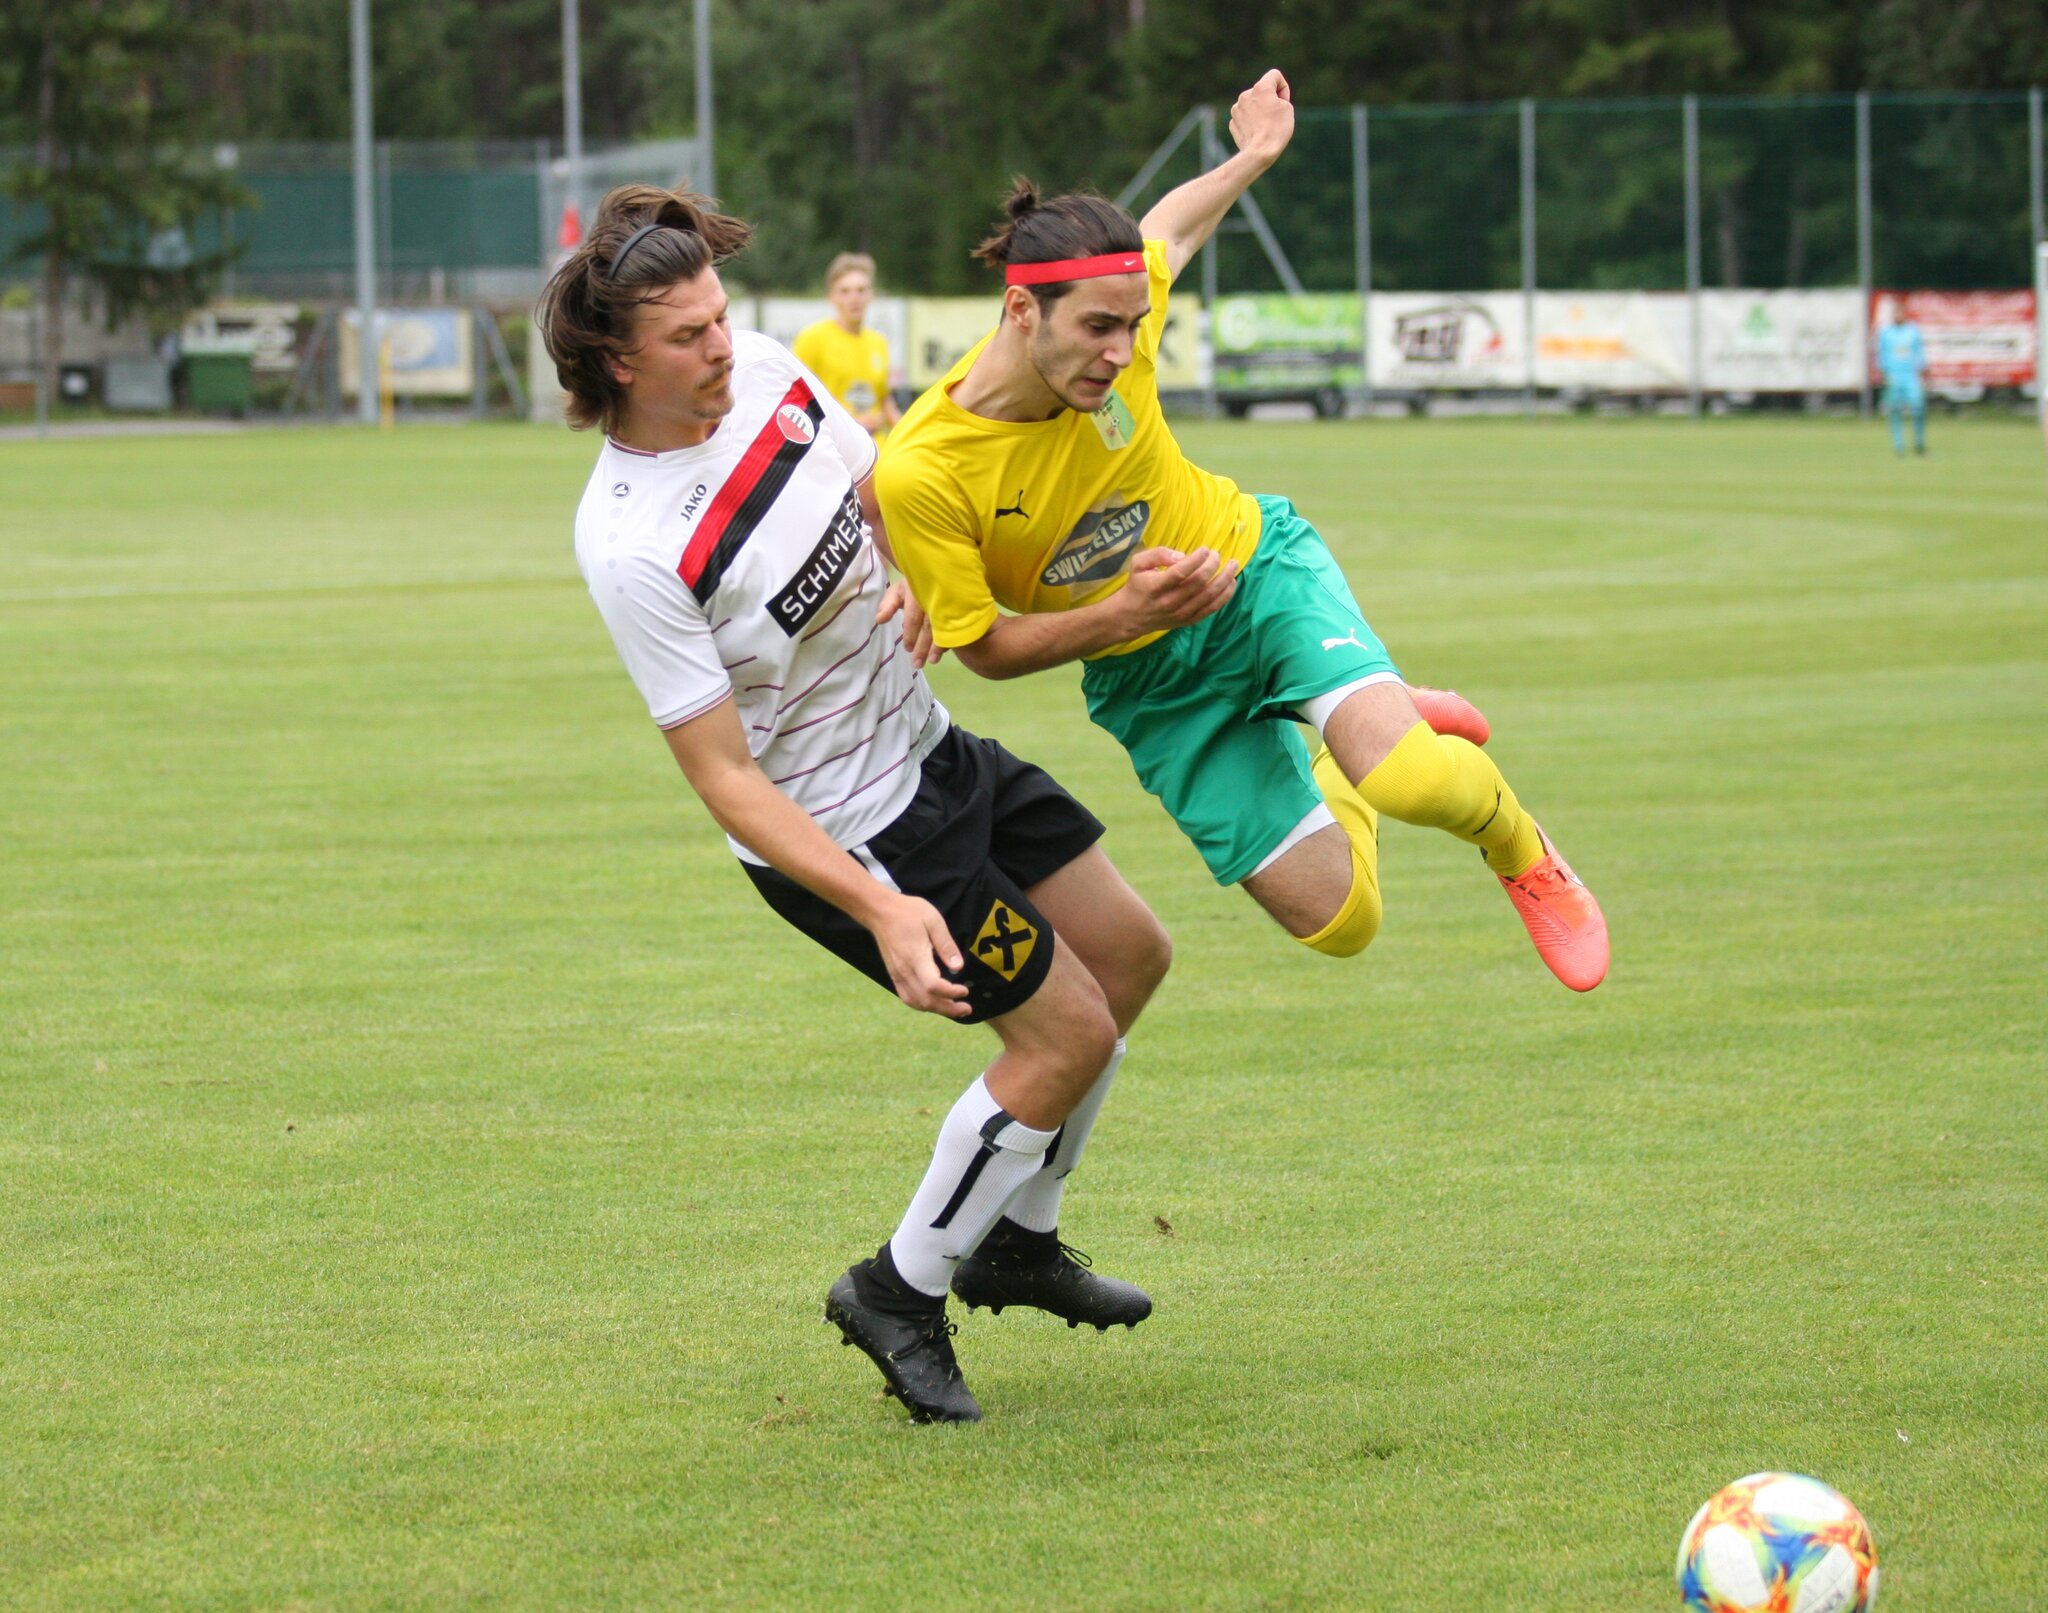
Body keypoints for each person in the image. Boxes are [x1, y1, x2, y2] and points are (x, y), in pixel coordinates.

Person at [539, 184, 1171, 1425]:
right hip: (853, 827)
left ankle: (1015, 1239)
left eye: (720, 319)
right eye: (686, 338)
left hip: (931, 744)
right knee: (1064, 1035)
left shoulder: (772, 373)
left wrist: (923, 578)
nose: (722, 346)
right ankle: (897, 1287)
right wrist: (878, 906)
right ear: (617, 361)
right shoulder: (630, 544)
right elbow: (722, 775)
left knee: (1131, 954)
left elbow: (881, 492)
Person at [875, 70, 1609, 993]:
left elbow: (1170, 228)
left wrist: (1254, 154)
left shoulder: (1117, 322)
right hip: (1152, 683)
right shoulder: (924, 470)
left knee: (1414, 784)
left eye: (1132, 326)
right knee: (1341, 921)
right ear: (1022, 311)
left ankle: (1522, 848)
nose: (1122, 350)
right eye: (1100, 328)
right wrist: (1118, 611)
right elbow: (980, 647)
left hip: (1256, 571)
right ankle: (1352, 729)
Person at [792, 252, 900, 440]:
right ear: (831, 297)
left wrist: (908, 433)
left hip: (876, 449)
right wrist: (851, 421)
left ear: (871, 294)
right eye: (845, 291)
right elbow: (798, 400)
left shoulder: (878, 342)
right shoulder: (812, 338)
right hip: (834, 447)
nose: (854, 298)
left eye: (861, 290)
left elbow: (884, 401)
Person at [1875, 299, 1928, 457]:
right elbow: (1881, 354)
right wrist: (1883, 373)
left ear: (1905, 314)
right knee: (1895, 411)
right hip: (1893, 377)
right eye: (1895, 313)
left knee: (1918, 408)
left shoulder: (1913, 331)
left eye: (1900, 312)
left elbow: (1919, 353)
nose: (1897, 316)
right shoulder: (1886, 333)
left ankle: (1919, 443)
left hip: (1910, 376)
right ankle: (1899, 447)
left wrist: (1923, 369)